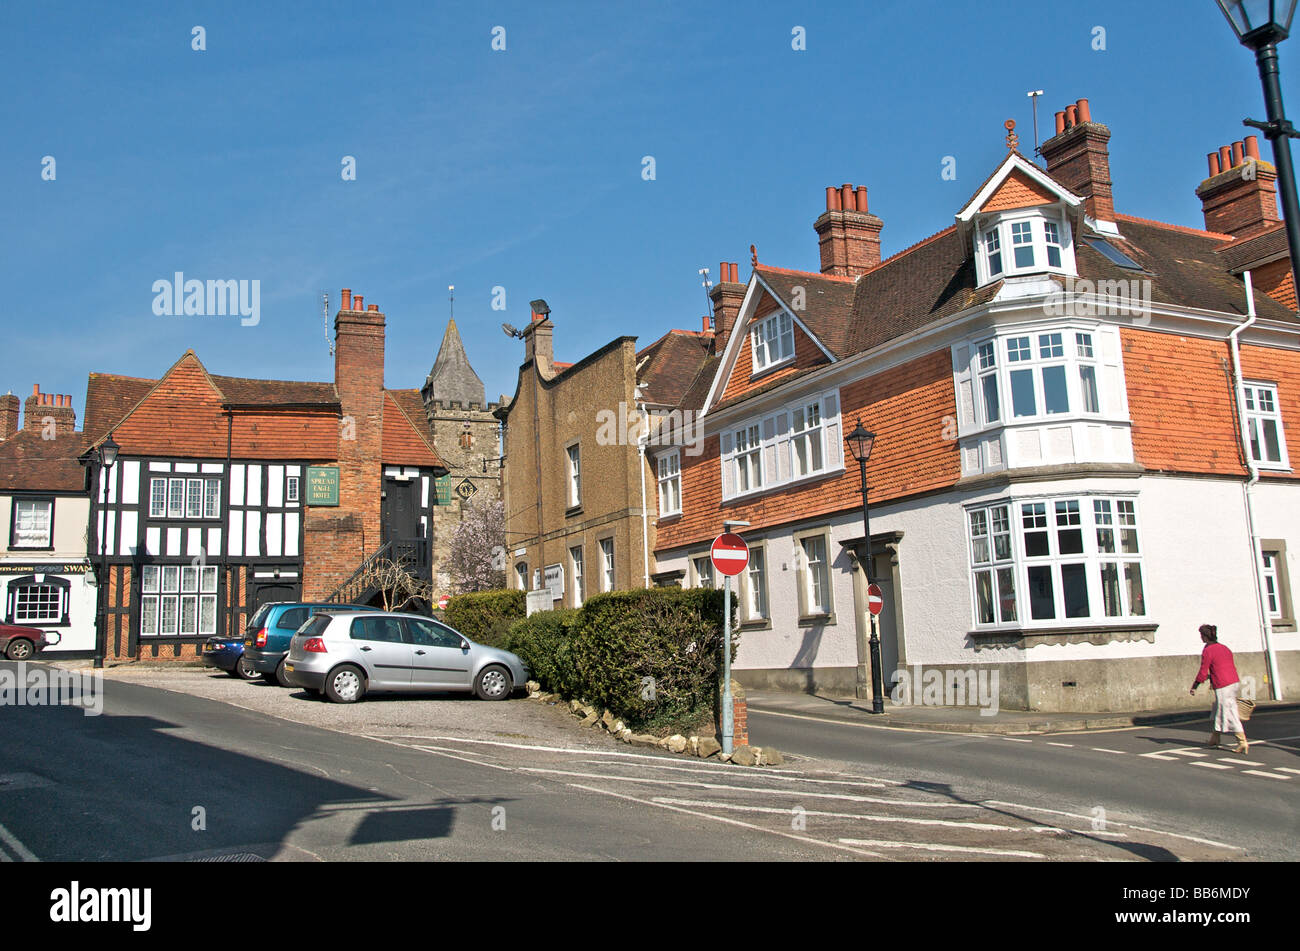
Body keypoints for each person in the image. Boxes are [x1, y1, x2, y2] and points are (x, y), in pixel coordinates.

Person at [1189, 623, 1247, 754]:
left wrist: (1195, 686)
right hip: (1233, 681)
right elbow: (1223, 665)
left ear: (1204, 636)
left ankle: (1242, 741)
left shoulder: (1208, 650)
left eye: (1201, 635)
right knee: (1218, 709)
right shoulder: (1224, 647)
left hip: (1223, 684)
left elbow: (1203, 671)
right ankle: (1215, 738)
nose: (1200, 638)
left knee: (1228, 711)